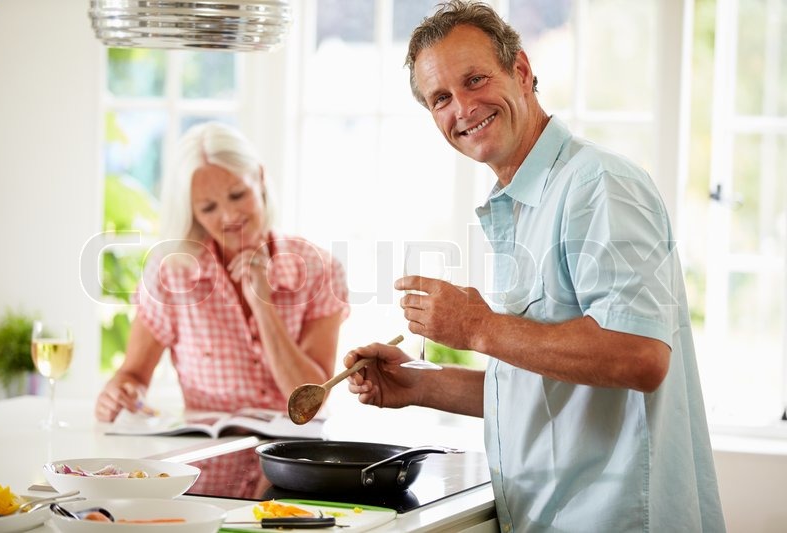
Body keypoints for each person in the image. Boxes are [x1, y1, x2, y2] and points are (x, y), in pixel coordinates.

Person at [345, 1, 725, 531]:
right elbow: (545, 387)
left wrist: (476, 326)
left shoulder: (598, 184)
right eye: (441, 98)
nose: (463, 107)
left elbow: (640, 357)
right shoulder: (520, 204)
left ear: (521, 71)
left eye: (475, 79)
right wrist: (417, 386)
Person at [96, 122, 349, 421]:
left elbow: (313, 401)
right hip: (210, 456)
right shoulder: (172, 273)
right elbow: (133, 376)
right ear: (193, 213)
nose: (229, 216)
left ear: (260, 178)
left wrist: (263, 307)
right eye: (208, 207)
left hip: (294, 459)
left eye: (238, 194)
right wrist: (119, 393)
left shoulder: (320, 269)